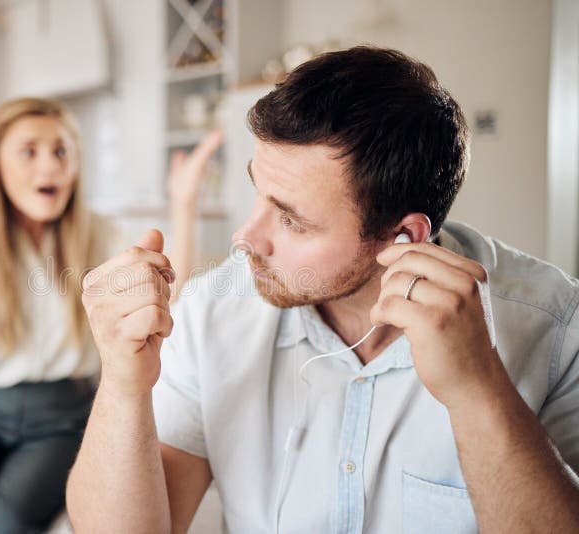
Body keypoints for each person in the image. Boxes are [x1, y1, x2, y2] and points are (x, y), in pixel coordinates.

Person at [66, 47, 579, 533]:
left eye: (291, 220)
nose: (246, 237)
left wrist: (476, 392)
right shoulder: (212, 312)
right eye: (259, 193)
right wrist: (123, 385)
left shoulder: (553, 329)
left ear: (402, 237)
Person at [0, 97, 219, 533]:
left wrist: (184, 204)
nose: (50, 166)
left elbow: (168, 295)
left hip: (62, 414)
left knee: (3, 522)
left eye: (61, 151)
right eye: (29, 152)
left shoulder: (97, 231)